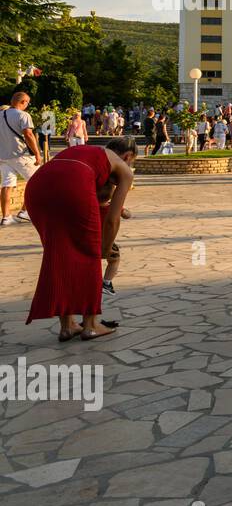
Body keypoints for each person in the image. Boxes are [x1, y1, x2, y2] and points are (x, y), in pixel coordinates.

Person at [25, 138, 135, 340]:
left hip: (35, 189)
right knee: (88, 254)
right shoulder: (124, 169)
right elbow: (112, 219)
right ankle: (91, 325)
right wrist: (104, 249)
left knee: (58, 253)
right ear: (128, 157)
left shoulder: (87, 151)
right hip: (71, 185)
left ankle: (67, 326)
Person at [99, 137, 138, 296]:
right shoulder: (110, 208)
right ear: (128, 156)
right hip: (102, 237)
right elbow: (116, 219)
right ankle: (106, 283)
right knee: (114, 258)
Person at [1, 92, 43, 225]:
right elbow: (28, 134)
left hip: (3, 156)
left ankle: (6, 217)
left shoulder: (1, 114)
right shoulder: (23, 115)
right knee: (39, 181)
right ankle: (24, 212)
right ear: (23, 102)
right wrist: (37, 153)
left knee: (7, 185)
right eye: (28, 103)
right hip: (21, 155)